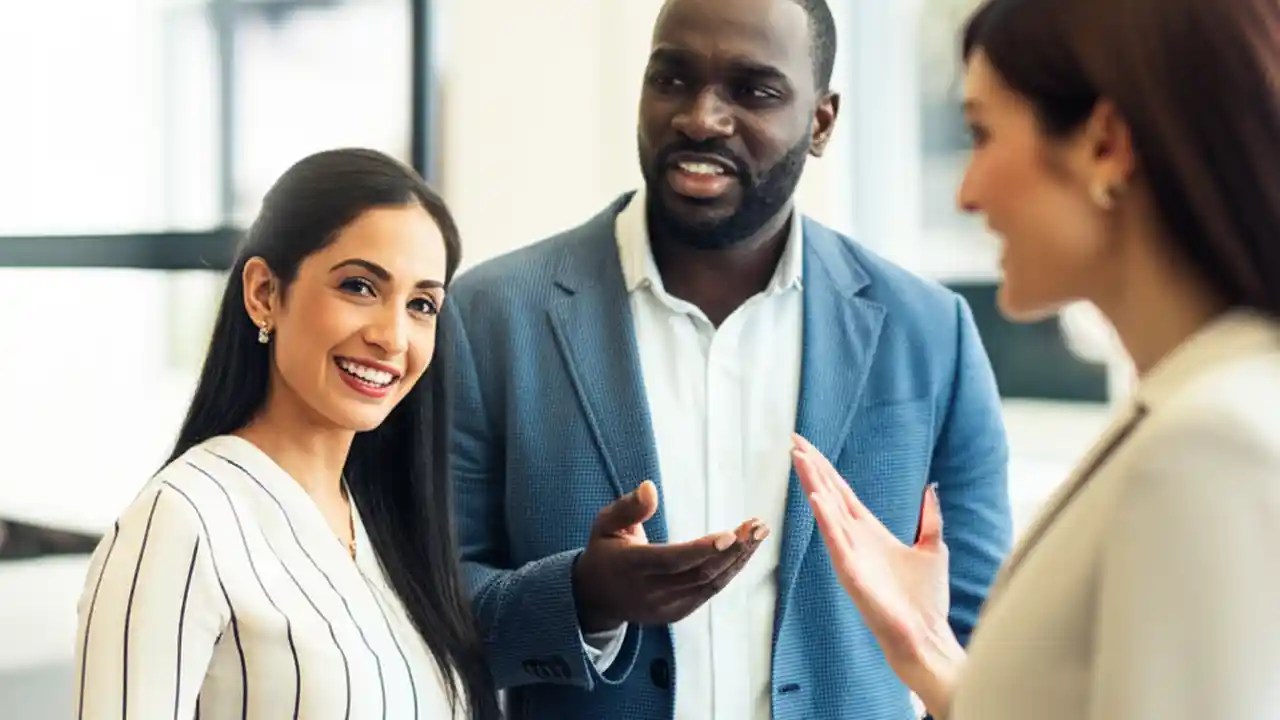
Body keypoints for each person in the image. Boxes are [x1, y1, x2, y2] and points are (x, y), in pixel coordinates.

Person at [445, 0, 1013, 717]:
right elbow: (427, 604)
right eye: (672, 79)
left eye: (753, 91)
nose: (701, 118)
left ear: (822, 122)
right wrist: (582, 598)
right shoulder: (492, 317)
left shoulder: (930, 333)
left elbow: (990, 642)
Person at [793, 0, 1280, 718]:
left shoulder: (1209, 444)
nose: (965, 192)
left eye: (982, 134)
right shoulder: (1197, 408)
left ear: (1106, 145)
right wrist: (931, 655)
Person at [73, 148, 500, 719]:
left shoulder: (388, 528)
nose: (393, 337)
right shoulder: (182, 518)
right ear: (264, 294)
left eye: (422, 304)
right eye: (359, 287)